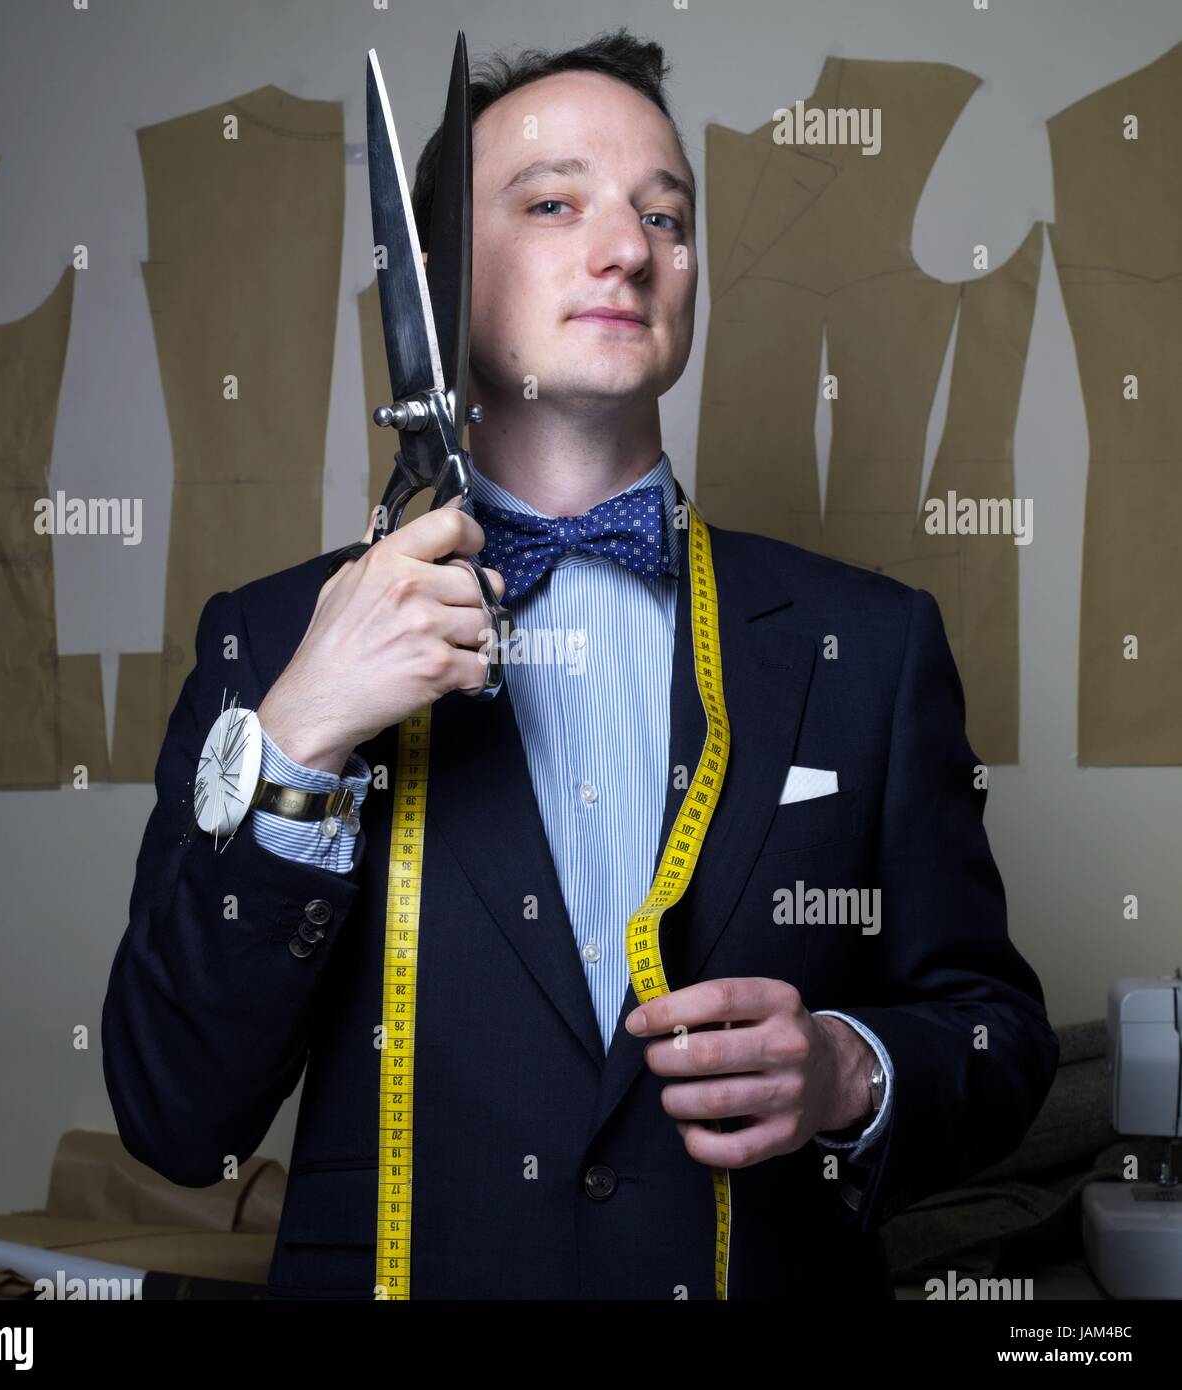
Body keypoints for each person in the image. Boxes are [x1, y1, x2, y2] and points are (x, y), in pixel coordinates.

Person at [101, 28, 1059, 1300]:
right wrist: (301, 739)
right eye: (555, 203)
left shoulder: (872, 646)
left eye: (664, 216)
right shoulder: (271, 644)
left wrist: (848, 1068)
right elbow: (175, 1116)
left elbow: (995, 1034)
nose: (628, 249)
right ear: (432, 285)